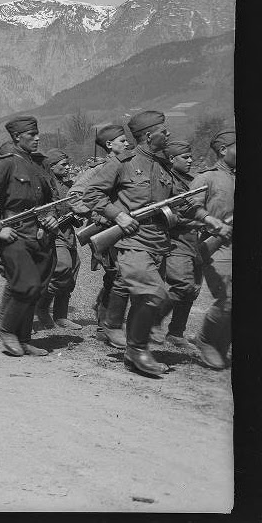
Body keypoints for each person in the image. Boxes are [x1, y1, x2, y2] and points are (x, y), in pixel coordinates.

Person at [81, 111, 229, 377]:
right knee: (153, 294)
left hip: (157, 243)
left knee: (143, 299)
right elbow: (92, 193)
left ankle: (134, 350)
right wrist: (118, 215)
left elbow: (182, 201)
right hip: (131, 240)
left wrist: (208, 219)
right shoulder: (122, 162)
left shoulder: (163, 165)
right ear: (149, 135)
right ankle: (137, 350)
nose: (168, 133)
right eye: (164, 130)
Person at [0, 116, 59, 357]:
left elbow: (51, 199)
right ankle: (8, 329)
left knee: (37, 288)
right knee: (26, 284)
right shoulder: (7, 164)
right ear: (16, 138)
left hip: (39, 234)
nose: (37, 138)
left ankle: (24, 339)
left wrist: (52, 215)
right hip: (13, 234)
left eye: (37, 133)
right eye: (31, 135)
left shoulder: (39, 164)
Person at [68, 123, 130, 342]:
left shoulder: (129, 165)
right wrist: (99, 215)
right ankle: (105, 327)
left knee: (122, 277)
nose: (127, 143)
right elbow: (74, 197)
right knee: (115, 277)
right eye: (122, 141)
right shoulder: (99, 169)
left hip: (127, 230)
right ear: (109, 144)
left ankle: (111, 323)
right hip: (108, 230)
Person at [188, 129, 235, 369]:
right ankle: (205, 340)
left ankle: (220, 346)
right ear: (223, 150)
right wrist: (211, 220)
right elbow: (188, 208)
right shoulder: (207, 178)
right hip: (217, 245)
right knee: (228, 300)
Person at [153, 140, 202, 348]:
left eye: (191, 156)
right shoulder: (165, 181)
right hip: (175, 241)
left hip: (193, 241)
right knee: (182, 285)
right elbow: (168, 216)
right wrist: (198, 220)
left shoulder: (190, 181)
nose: (190, 160)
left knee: (193, 289)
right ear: (172, 159)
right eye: (185, 157)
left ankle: (176, 332)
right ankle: (150, 323)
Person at [37, 149, 82, 330]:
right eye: (63, 164)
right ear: (51, 166)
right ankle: (41, 307)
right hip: (53, 234)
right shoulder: (45, 185)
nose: (67, 167)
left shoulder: (70, 184)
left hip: (68, 233)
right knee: (63, 267)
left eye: (67, 163)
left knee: (72, 272)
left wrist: (76, 216)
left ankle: (61, 316)